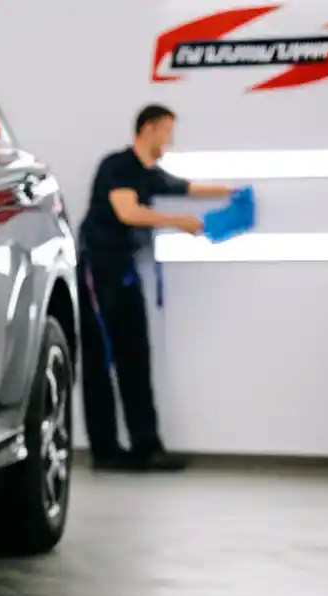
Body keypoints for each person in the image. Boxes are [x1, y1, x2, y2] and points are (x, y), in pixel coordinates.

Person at [77, 104, 232, 472]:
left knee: (136, 357)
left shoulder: (150, 175)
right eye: (167, 130)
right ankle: (106, 452)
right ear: (149, 129)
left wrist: (236, 192)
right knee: (101, 362)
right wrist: (178, 221)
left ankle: (147, 446)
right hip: (97, 272)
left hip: (126, 272)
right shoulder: (116, 166)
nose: (170, 139)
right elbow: (127, 212)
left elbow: (189, 188)